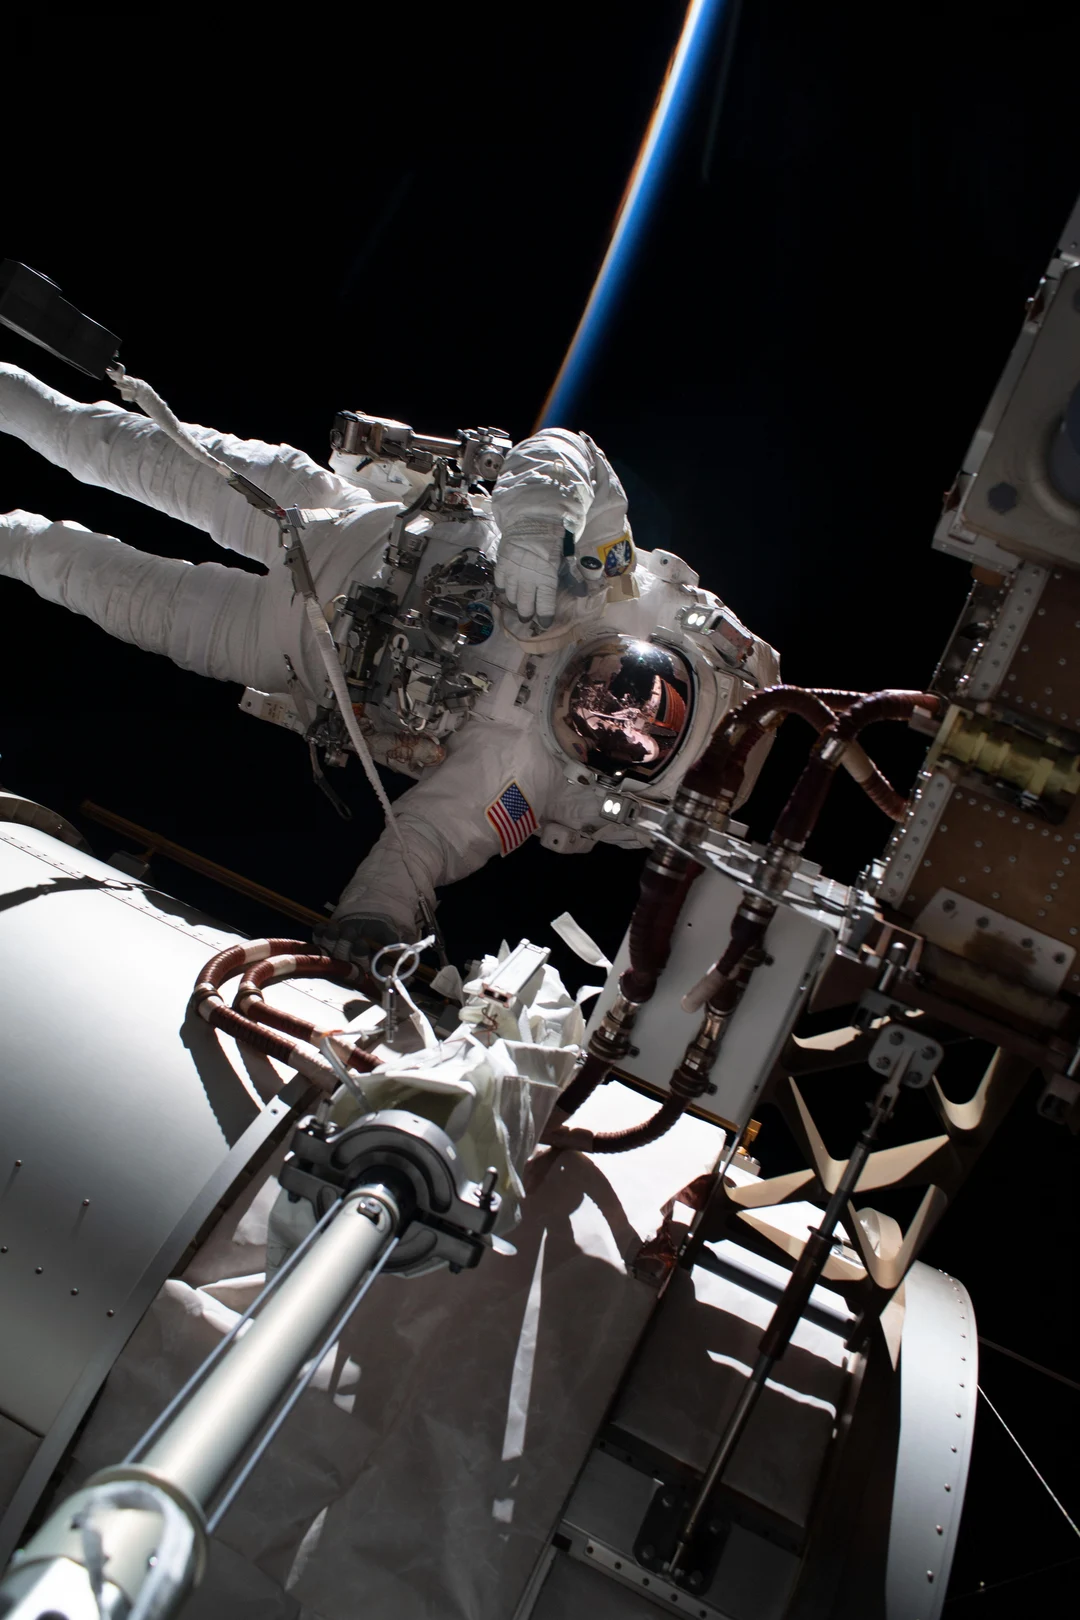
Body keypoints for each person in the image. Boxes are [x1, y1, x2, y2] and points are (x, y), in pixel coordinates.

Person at [0, 362, 779, 954]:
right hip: (331, 519)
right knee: (97, 438)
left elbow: (425, 844)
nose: (620, 706)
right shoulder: (609, 585)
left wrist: (371, 920)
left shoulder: (523, 775)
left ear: (609, 774)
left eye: (633, 736)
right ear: (661, 648)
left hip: (277, 644)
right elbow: (570, 455)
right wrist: (539, 530)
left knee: (58, 564)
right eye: (647, 687)